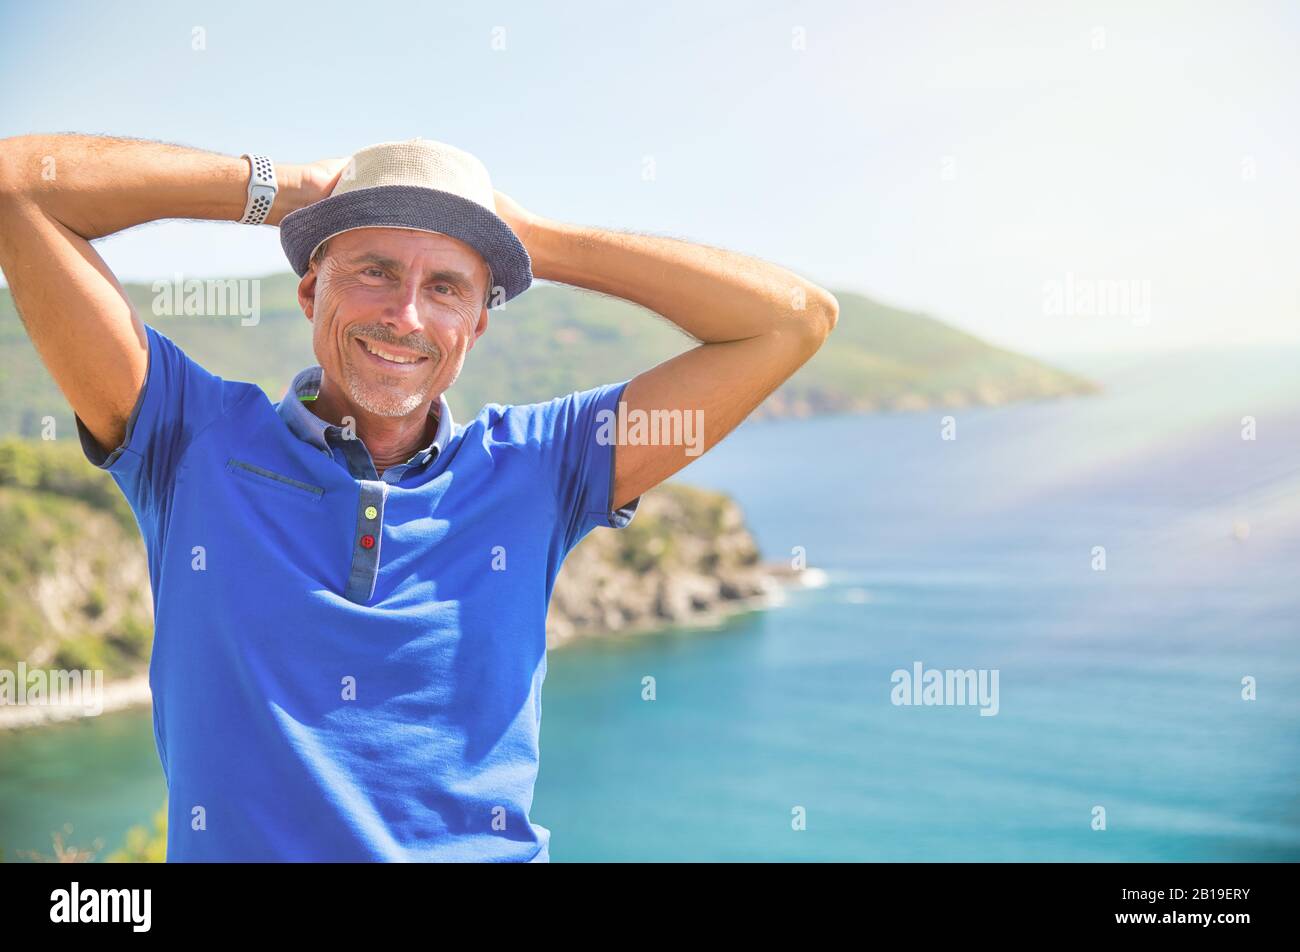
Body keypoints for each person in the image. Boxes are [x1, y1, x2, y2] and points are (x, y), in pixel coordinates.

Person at [0, 134, 838, 861]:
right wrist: (287, 193)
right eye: (373, 270)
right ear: (309, 292)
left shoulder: (545, 467)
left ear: (476, 325)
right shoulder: (191, 438)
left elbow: (792, 321)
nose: (405, 315)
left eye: (447, 288)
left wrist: (532, 240)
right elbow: (18, 186)